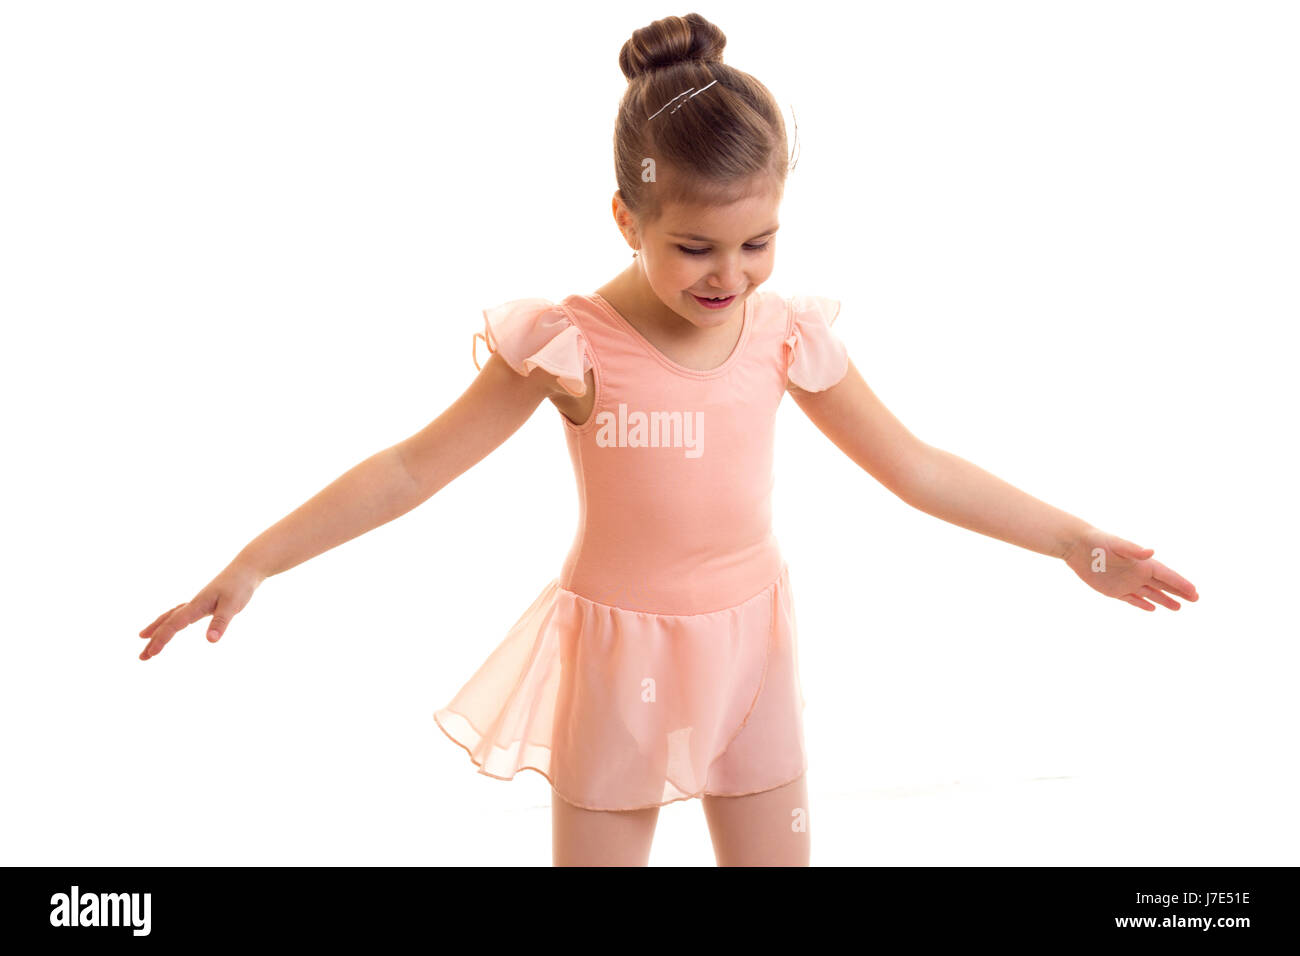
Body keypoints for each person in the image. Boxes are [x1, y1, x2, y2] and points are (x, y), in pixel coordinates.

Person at [136, 12, 1199, 867]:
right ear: (625, 217)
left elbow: (916, 467)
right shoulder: (568, 346)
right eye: (694, 246)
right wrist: (255, 561)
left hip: (751, 648)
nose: (727, 276)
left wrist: (1075, 541)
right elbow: (413, 466)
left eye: (758, 242)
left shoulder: (784, 336)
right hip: (618, 656)